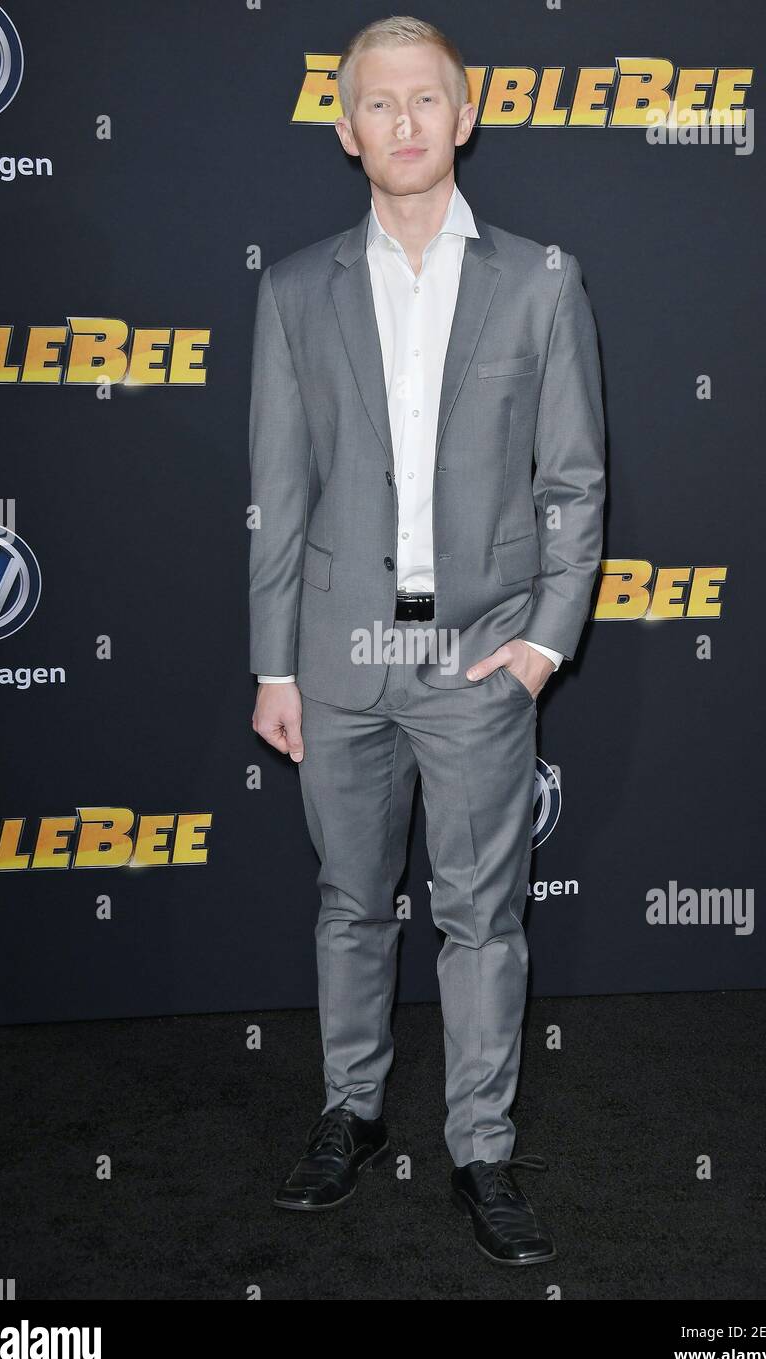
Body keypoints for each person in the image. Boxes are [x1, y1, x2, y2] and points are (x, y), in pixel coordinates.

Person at [249, 15, 605, 1266]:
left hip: (477, 662)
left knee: (481, 917)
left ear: (467, 117)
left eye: (425, 101)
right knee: (351, 904)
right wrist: (275, 665)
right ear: (347, 130)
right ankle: (350, 1113)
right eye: (378, 105)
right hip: (340, 661)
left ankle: (484, 1148)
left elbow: (573, 483)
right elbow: (277, 495)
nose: (404, 123)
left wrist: (542, 645)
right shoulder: (294, 291)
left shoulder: (543, 280)